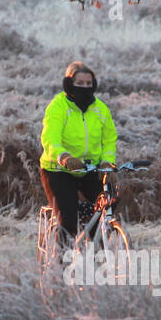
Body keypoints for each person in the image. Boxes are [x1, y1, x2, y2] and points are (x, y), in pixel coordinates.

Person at [39, 61, 117, 250]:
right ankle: (59, 269)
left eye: (88, 84)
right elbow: (50, 138)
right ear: (69, 83)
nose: (84, 87)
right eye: (79, 83)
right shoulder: (58, 107)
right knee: (68, 222)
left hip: (90, 169)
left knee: (110, 201)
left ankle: (96, 254)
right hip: (57, 170)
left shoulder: (100, 108)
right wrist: (64, 157)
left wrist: (108, 162)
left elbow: (109, 139)